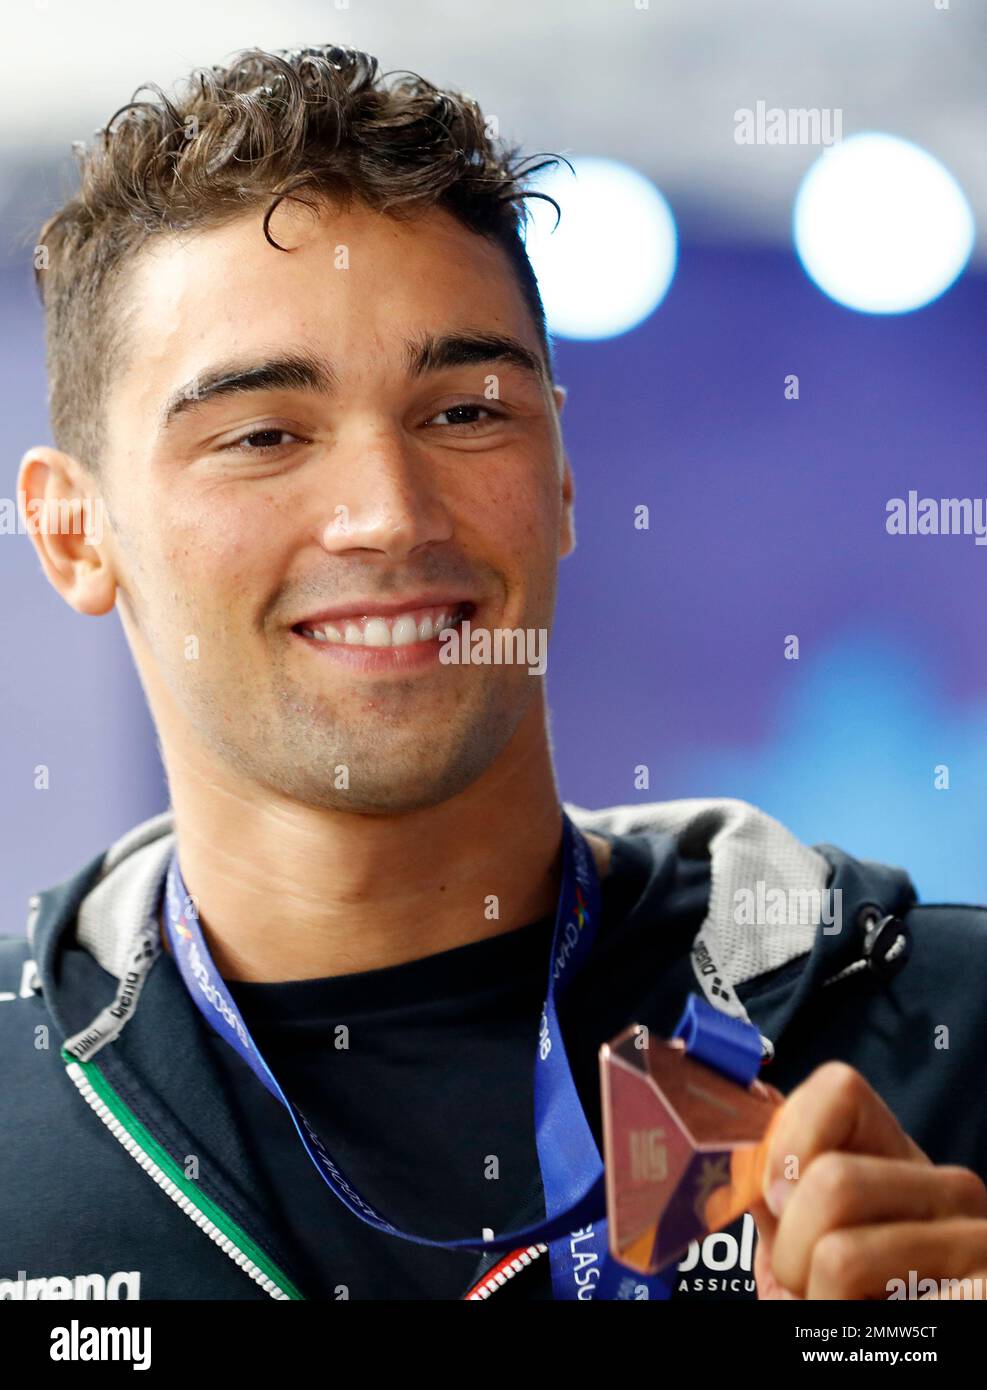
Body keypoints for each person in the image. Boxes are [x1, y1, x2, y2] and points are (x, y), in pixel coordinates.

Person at [4, 41, 987, 1303]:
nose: (386, 512)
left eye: (465, 412)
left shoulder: (941, 1038)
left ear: (562, 477)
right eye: (262, 434)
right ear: (74, 532)